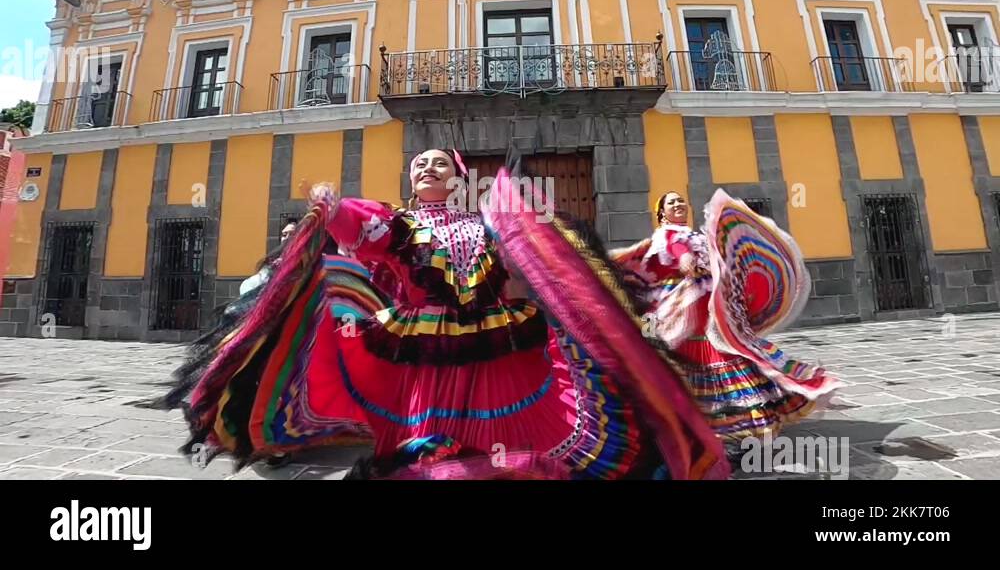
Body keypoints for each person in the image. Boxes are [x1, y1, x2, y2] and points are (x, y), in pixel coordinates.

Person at [160, 149, 729, 480]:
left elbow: (527, 258)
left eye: (439, 164)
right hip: (424, 342)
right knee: (426, 439)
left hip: (497, 336)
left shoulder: (483, 221)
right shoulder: (397, 223)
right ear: (411, 178)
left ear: (458, 178)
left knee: (517, 429)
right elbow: (355, 224)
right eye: (420, 164)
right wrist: (330, 207)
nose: (429, 169)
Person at [612, 190, 842, 452]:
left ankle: (721, 429)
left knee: (726, 355)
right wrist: (688, 260)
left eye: (680, 200)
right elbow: (681, 257)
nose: (678, 204)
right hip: (689, 312)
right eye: (671, 202)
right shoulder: (668, 236)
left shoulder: (695, 235)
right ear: (661, 212)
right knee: (707, 360)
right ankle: (709, 429)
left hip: (709, 308)